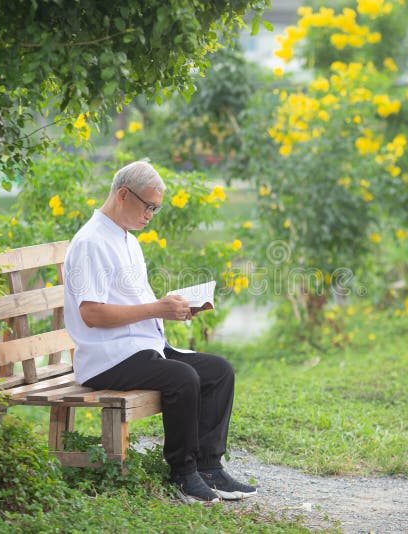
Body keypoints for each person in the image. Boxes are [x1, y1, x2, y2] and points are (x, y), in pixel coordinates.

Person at [63, 160, 257, 504]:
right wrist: (157, 308)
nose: (151, 214)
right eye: (149, 206)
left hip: (140, 347)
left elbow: (134, 301)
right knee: (182, 377)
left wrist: (177, 308)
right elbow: (91, 313)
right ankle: (183, 474)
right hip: (107, 356)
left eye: (157, 208)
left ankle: (209, 467)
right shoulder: (92, 242)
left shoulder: (127, 240)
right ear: (124, 195)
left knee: (219, 371)